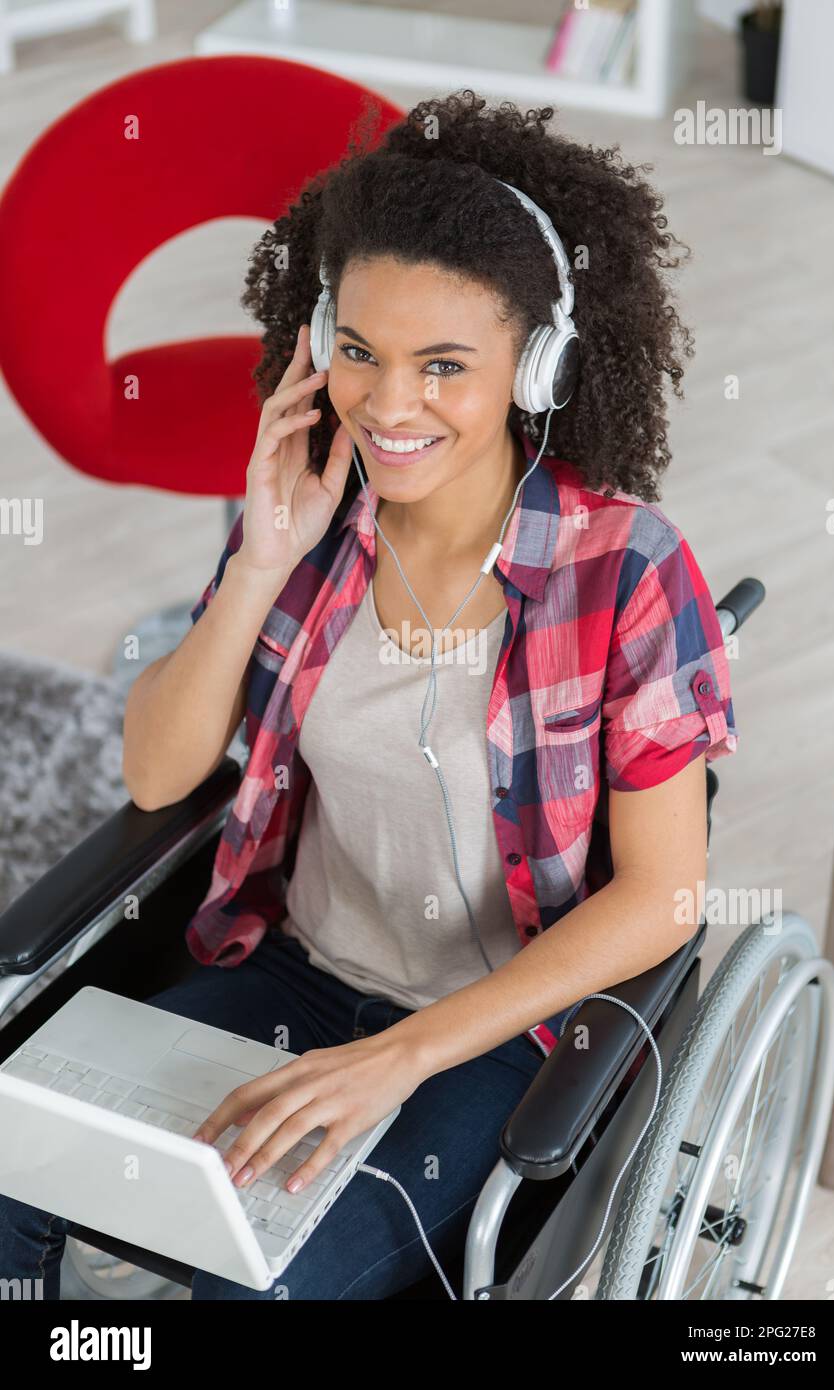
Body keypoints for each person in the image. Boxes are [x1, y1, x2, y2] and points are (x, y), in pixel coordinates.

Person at [0, 90, 737, 1300]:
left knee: (258, 1277)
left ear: (534, 365)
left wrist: (398, 1059)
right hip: (294, 973)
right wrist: (260, 562)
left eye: (444, 365)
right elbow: (154, 775)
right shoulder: (313, 523)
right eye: (359, 352)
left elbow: (664, 897)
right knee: (16, 1147)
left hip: (492, 1036)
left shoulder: (623, 569)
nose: (388, 406)